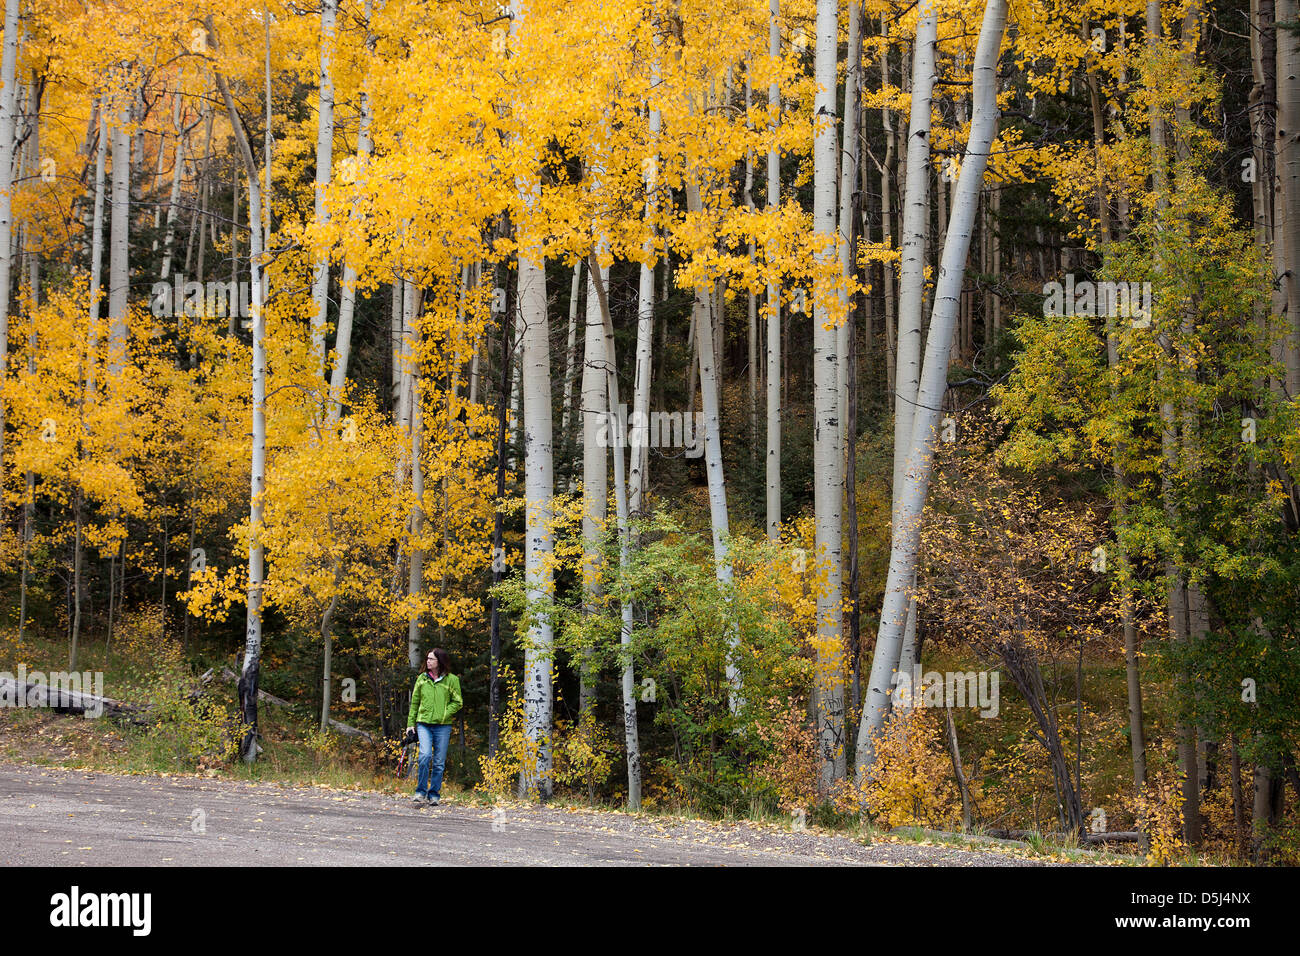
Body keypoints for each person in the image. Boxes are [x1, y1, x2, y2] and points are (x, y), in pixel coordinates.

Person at [406, 648, 462, 805]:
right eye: (427, 658)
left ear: (440, 662)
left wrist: (444, 713)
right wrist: (411, 723)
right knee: (424, 756)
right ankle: (420, 792)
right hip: (423, 724)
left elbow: (458, 702)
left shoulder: (451, 680)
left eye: (431, 659)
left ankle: (434, 794)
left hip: (443, 726)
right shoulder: (422, 679)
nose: (428, 661)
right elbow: (415, 702)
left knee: (438, 761)